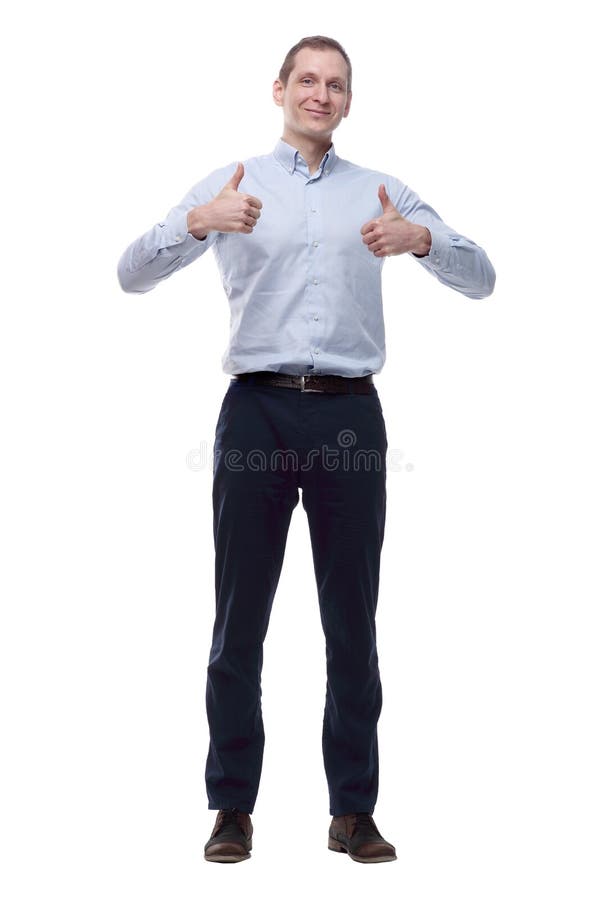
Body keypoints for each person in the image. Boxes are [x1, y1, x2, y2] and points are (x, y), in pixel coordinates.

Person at [117, 35, 495, 865]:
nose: (321, 95)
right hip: (256, 411)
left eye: (337, 85)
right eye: (308, 80)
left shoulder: (382, 190)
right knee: (238, 622)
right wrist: (196, 223)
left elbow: (483, 276)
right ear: (280, 89)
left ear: (349, 101)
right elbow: (130, 272)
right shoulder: (232, 181)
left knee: (351, 623)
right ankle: (231, 807)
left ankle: (352, 811)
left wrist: (421, 240)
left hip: (349, 417)